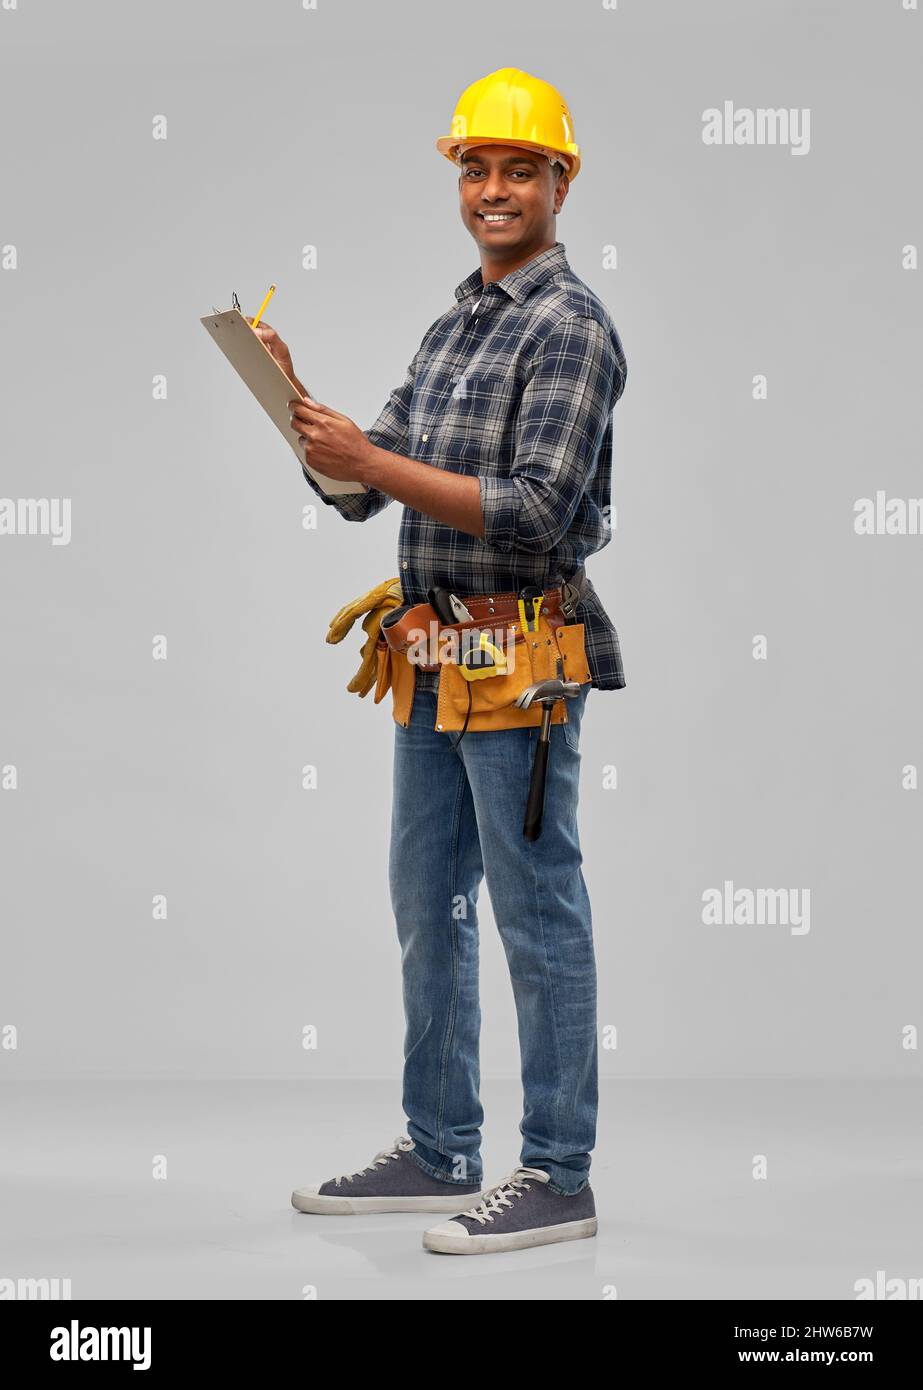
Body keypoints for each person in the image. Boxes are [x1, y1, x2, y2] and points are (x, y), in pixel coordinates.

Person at [260, 68, 628, 1255]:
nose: (492, 188)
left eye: (518, 168)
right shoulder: (453, 319)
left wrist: (368, 459)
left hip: (518, 662)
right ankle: (439, 1147)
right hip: (431, 662)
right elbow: (363, 496)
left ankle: (558, 1172)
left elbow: (526, 511)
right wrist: (299, 410)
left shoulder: (569, 329)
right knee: (428, 904)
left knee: (535, 910)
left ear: (559, 181)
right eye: (474, 168)